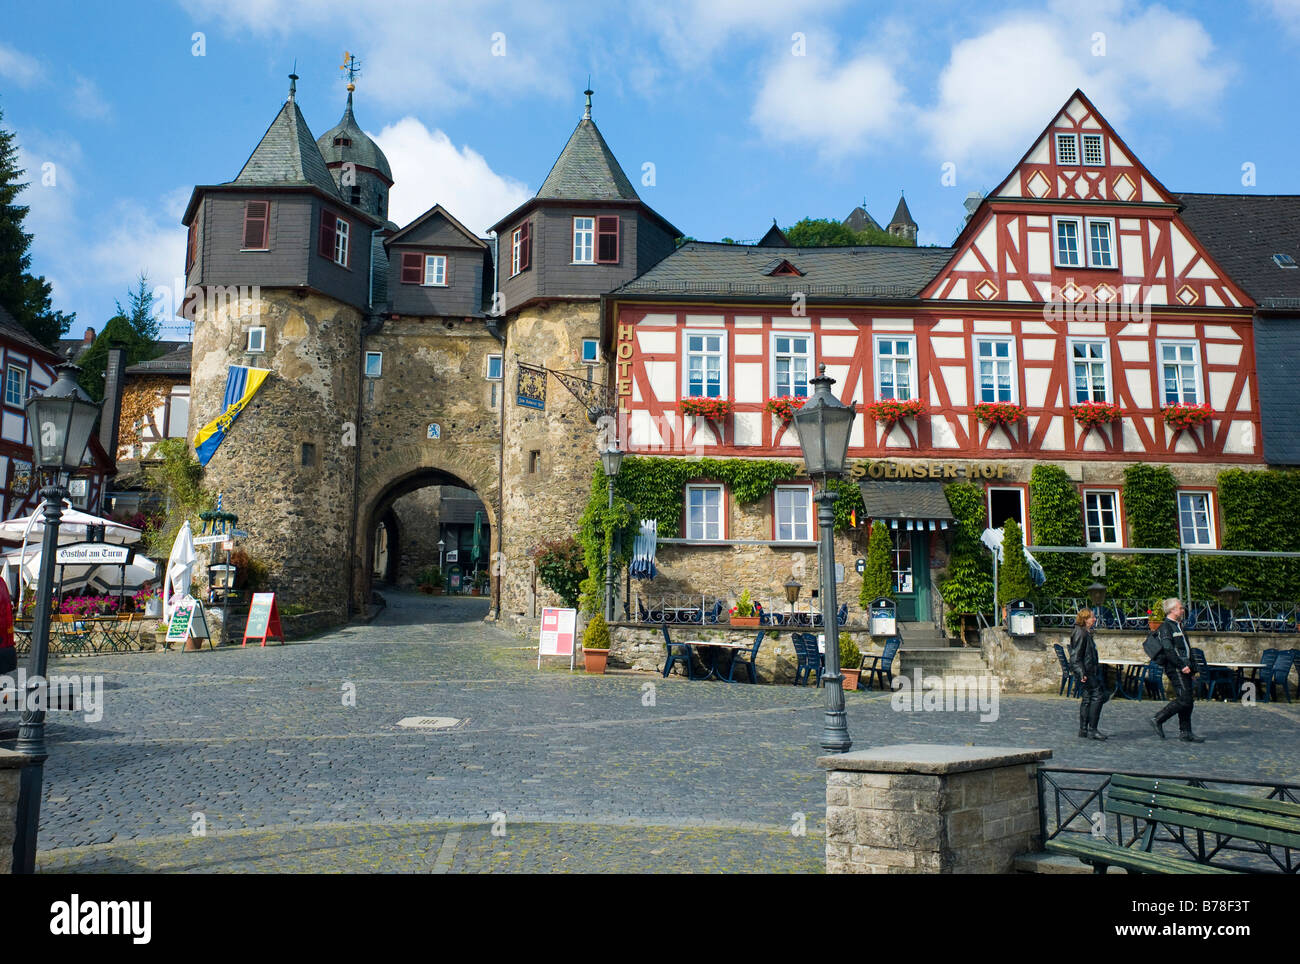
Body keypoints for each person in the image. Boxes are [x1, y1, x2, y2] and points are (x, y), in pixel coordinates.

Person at [1150, 597, 1204, 742]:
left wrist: (1192, 669)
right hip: (1175, 668)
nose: (1183, 610)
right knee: (1184, 699)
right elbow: (1168, 650)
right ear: (1173, 610)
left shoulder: (1179, 626)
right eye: (1180, 608)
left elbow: (1187, 649)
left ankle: (1185, 732)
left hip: (1185, 667)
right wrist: (1182, 666)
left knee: (1188, 701)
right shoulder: (1166, 627)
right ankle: (1158, 718)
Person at [1068, 608, 1107, 740]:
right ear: (1085, 619)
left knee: (1087, 698)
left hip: (1087, 670)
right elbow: (1075, 656)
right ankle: (1092, 729)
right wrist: (1081, 672)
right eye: (1092, 617)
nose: (1094, 619)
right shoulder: (1081, 633)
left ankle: (1084, 729)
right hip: (1087, 671)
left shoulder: (1084, 632)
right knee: (1097, 696)